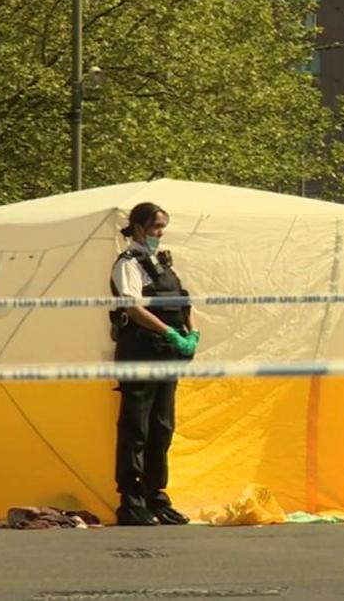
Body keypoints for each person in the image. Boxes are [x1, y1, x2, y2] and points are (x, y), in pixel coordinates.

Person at [109, 202, 199, 526]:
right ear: (138, 228)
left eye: (163, 227)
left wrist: (192, 333)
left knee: (162, 428)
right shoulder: (128, 263)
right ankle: (130, 500)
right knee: (136, 428)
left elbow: (182, 300)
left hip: (166, 357)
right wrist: (171, 333)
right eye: (155, 227)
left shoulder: (162, 265)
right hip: (140, 353)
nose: (160, 234)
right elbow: (133, 309)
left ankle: (155, 496)